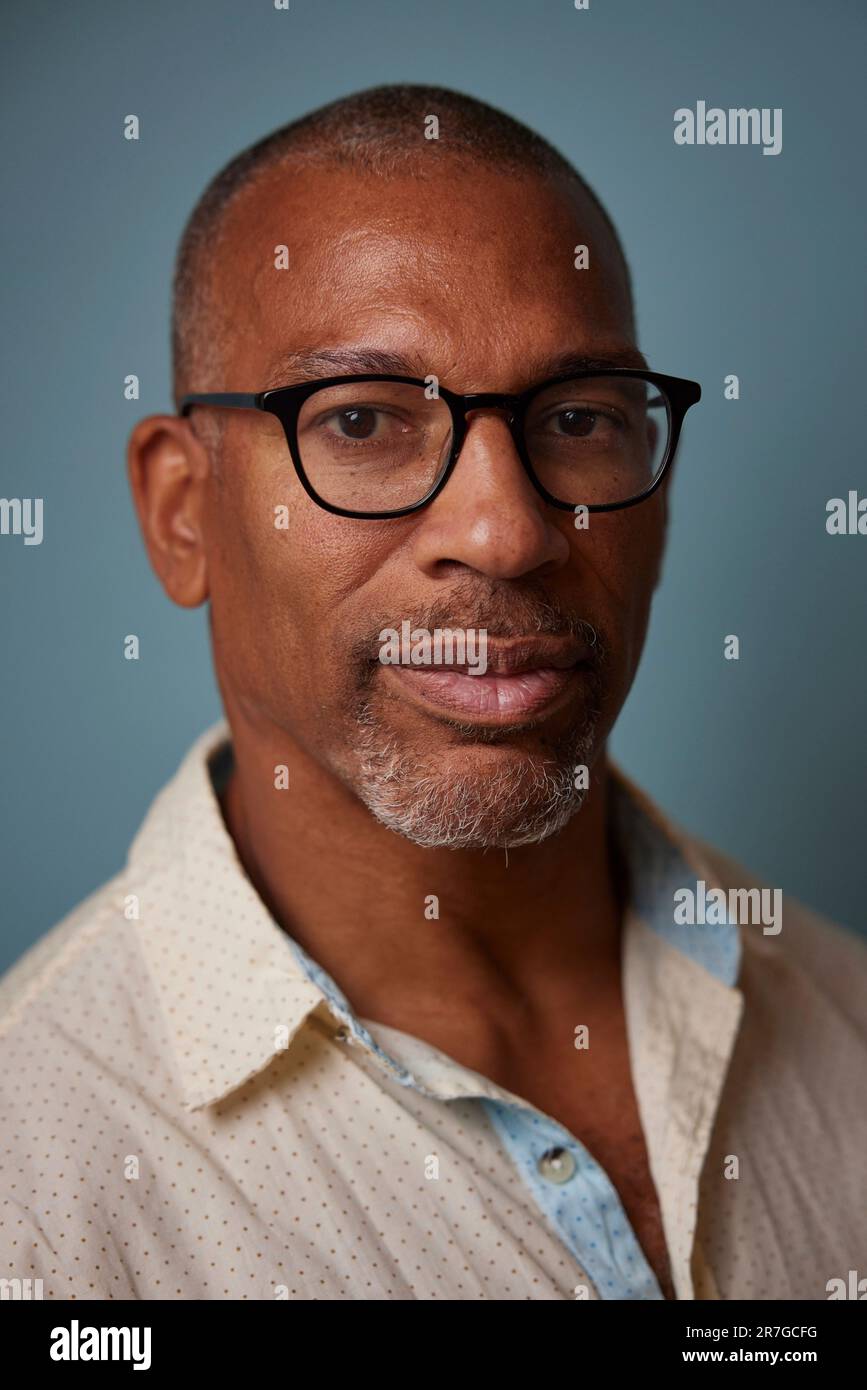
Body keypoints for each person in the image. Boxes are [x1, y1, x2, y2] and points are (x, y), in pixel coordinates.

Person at [1, 84, 864, 1302]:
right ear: (183, 512)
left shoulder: (843, 1012)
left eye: (578, 419)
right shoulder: (33, 1199)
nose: (507, 529)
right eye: (361, 421)